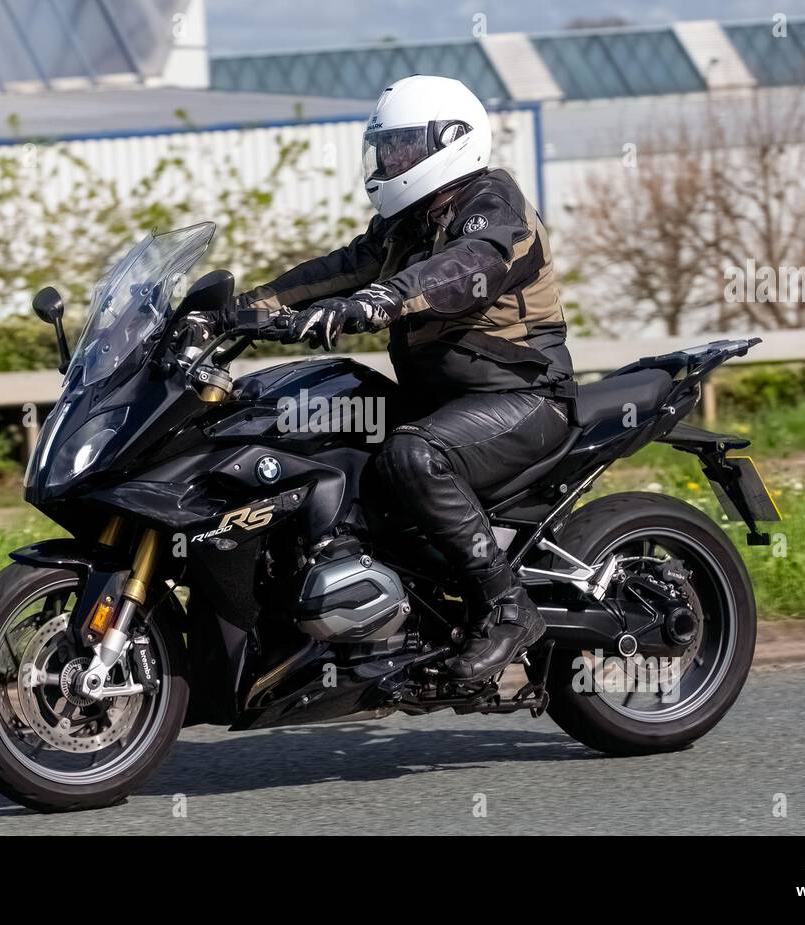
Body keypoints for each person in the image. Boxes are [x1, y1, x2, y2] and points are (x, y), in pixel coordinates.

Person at [227, 75, 574, 681]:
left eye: (407, 147)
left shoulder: (493, 205)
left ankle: (508, 606)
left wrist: (375, 302)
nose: (393, 161)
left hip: (522, 398)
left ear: (453, 142)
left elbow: (463, 270)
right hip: (434, 399)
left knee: (413, 458)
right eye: (387, 148)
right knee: (305, 425)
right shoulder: (405, 224)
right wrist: (240, 311)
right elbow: (338, 270)